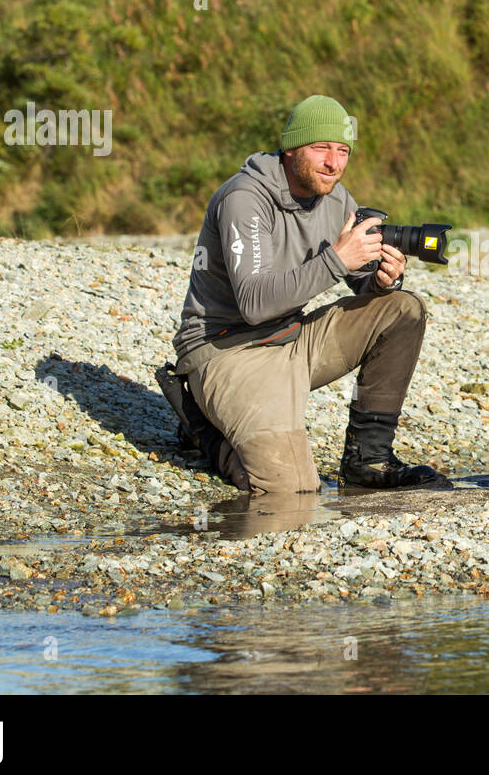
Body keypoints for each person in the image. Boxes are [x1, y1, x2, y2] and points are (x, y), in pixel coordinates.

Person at [165, 94, 446, 495]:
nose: (334, 163)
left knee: (402, 309)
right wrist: (337, 259)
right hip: (227, 353)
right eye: (321, 149)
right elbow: (255, 303)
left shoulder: (334, 197)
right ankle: (203, 430)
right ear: (292, 148)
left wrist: (382, 280)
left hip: (291, 341)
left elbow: (360, 279)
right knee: (291, 490)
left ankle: (369, 460)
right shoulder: (244, 199)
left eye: (343, 150)